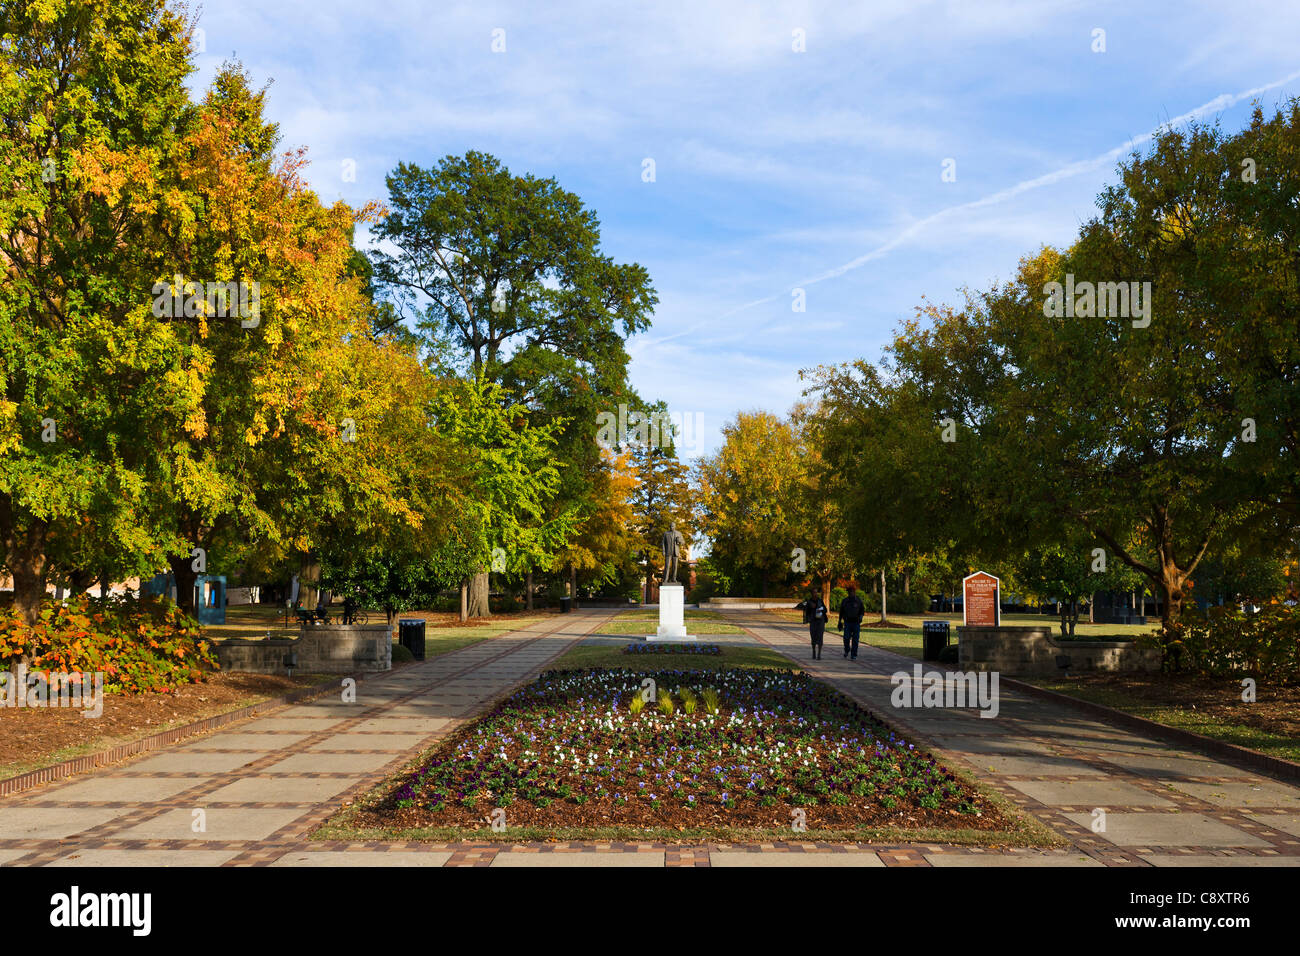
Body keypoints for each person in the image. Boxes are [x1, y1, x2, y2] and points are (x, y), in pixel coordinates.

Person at [794, 591, 829, 659]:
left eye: (816, 592)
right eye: (814, 593)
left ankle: (819, 654)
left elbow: (825, 609)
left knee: (820, 636)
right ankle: (814, 651)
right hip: (813, 621)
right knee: (813, 637)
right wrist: (809, 605)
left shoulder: (820, 601)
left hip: (820, 621)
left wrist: (820, 608)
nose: (816, 594)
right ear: (812, 594)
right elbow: (800, 606)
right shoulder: (808, 601)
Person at [837, 585, 866, 659]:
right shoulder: (845, 601)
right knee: (846, 638)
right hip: (847, 622)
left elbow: (862, 611)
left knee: (855, 640)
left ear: (854, 592)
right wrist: (840, 621)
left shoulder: (858, 601)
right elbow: (841, 612)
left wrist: (861, 617)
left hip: (856, 623)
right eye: (849, 592)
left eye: (851, 591)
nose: (850, 593)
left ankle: (854, 654)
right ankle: (847, 650)